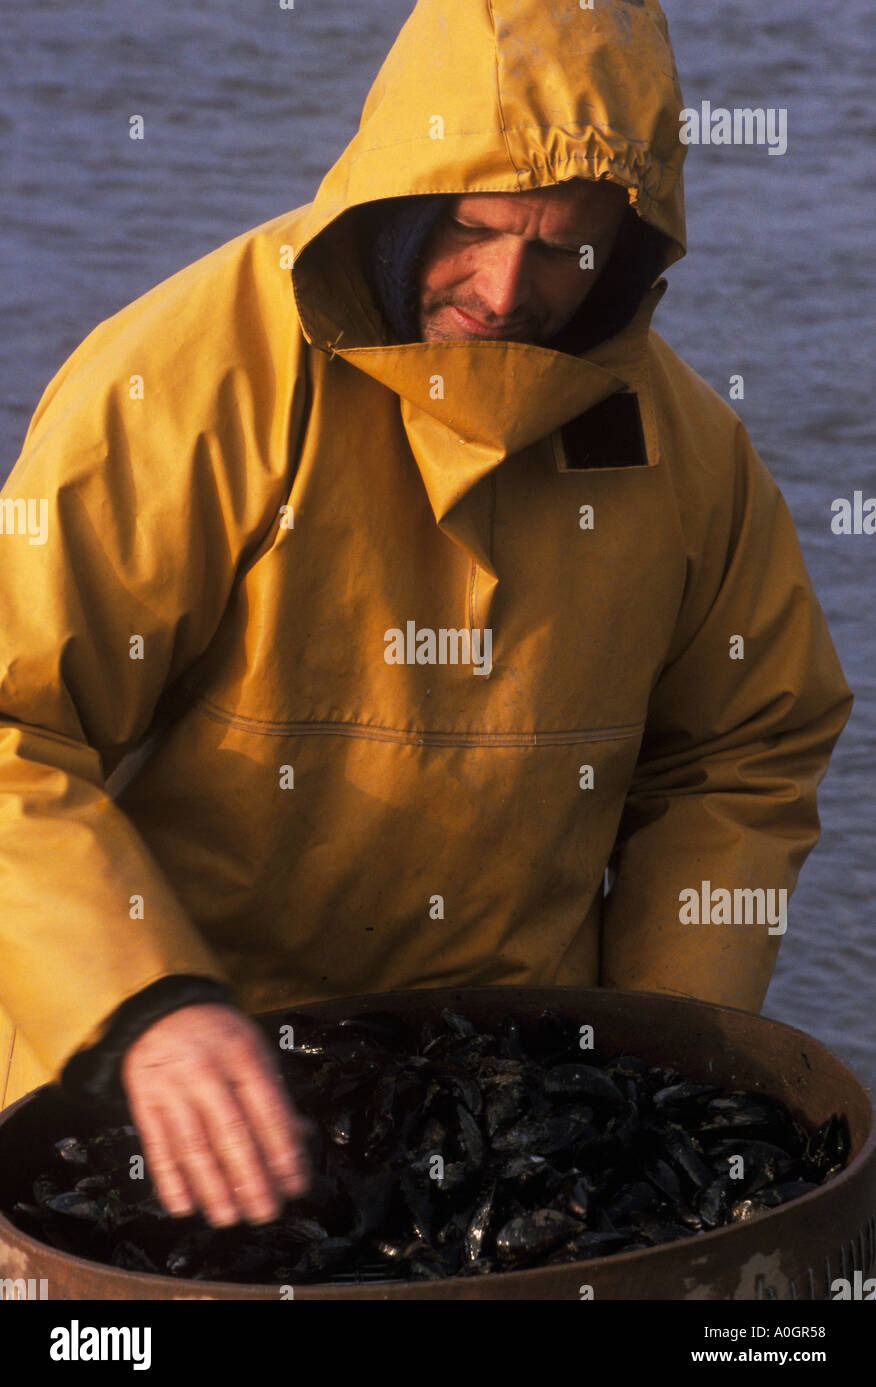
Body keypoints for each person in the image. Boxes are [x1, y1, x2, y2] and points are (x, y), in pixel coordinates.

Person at [0, 0, 852, 1233]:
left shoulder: (688, 453)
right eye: (476, 225)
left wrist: (653, 1057)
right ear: (402, 190)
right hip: (168, 1109)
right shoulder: (187, 380)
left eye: (565, 249)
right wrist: (143, 1006)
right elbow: (13, 725)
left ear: (631, 241)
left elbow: (745, 753)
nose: (510, 289)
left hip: (511, 1124)